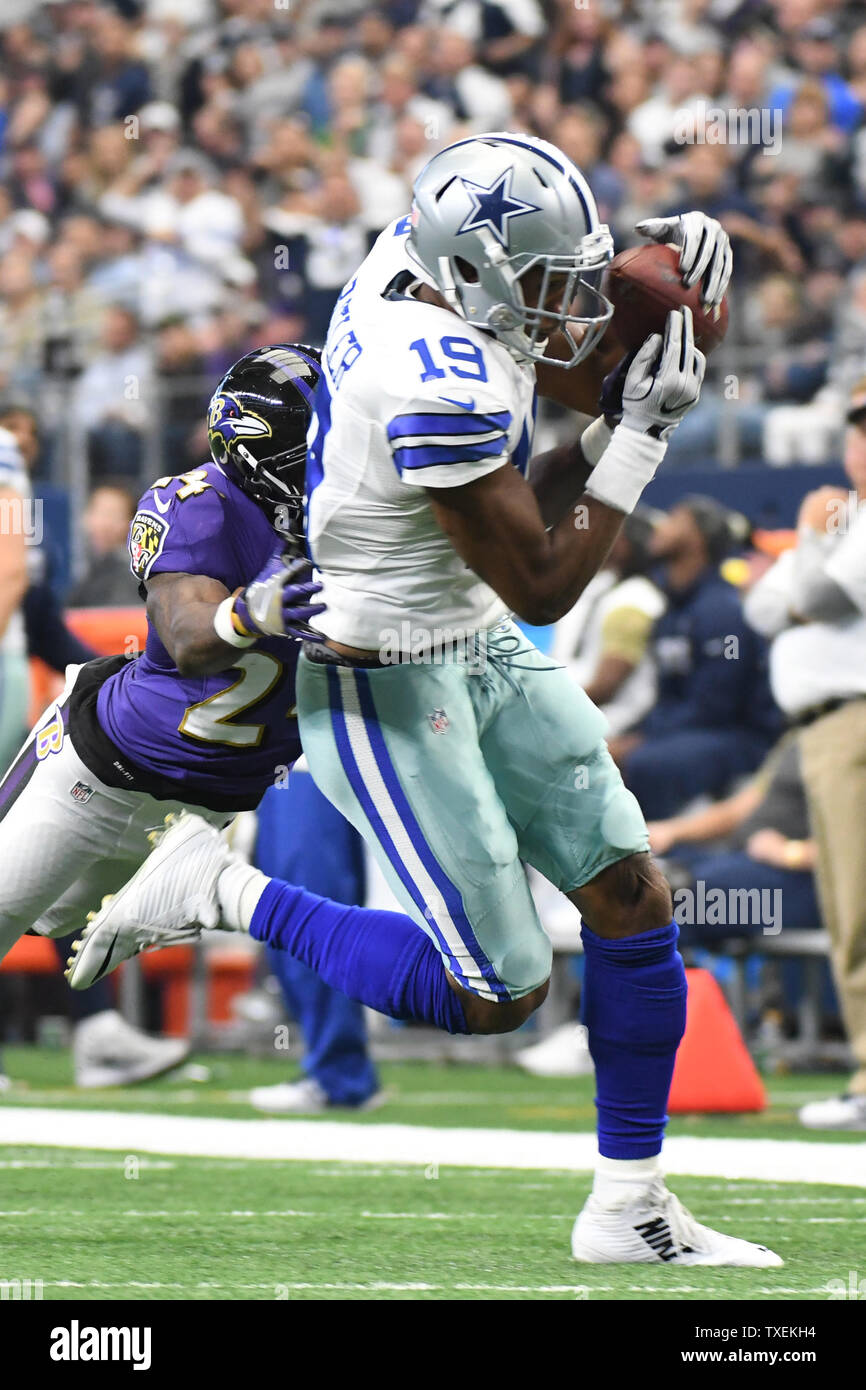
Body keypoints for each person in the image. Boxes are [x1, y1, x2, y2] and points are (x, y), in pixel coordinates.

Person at [70, 133, 780, 1268]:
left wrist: (658, 271)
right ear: (474, 280)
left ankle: (630, 1204)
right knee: (499, 990)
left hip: (470, 630)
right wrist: (640, 434)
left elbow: (550, 372)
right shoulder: (429, 372)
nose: (572, 307)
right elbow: (541, 574)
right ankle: (220, 886)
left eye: (573, 278)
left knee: (630, 894)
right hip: (382, 675)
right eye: (549, 285)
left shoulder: (426, 250)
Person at [0, 345, 324, 974]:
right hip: (101, 773)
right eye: (315, 451)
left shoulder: (363, 523)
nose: (335, 463)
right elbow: (186, 638)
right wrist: (249, 614)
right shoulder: (199, 504)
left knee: (53, 924)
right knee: (26, 921)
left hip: (206, 810)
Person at [745, 378, 866, 1131]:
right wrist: (811, 560)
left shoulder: (844, 524)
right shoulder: (846, 522)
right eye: (857, 430)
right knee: (846, 905)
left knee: (859, 907)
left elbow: (816, 600)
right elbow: (762, 608)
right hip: (821, 732)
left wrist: (811, 539)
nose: (861, 443)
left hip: (854, 724)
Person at [615, 497, 780, 820]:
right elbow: (667, 697)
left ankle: (663, 844)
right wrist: (631, 734)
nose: (661, 527)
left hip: (740, 736)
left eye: (676, 518)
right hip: (693, 729)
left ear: (697, 539)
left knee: (645, 763)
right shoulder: (671, 612)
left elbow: (717, 706)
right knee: (603, 750)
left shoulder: (723, 611)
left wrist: (643, 739)